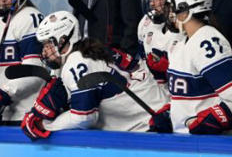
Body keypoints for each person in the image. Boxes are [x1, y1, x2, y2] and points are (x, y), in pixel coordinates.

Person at [20, 11, 170, 140]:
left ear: (63, 40)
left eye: (48, 44)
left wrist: (45, 125)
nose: (45, 51)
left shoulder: (76, 62)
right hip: (159, 111)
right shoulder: (87, 51)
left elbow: (84, 118)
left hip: (152, 124)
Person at [164, 0, 232, 134]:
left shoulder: (207, 41)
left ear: (183, 9)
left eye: (172, 6)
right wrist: (170, 111)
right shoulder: (181, 41)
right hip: (183, 140)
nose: (170, 12)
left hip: (207, 144)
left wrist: (214, 119)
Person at [138, 0, 187, 97]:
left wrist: (170, 69)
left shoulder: (189, 25)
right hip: (155, 97)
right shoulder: (145, 24)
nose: (152, 3)